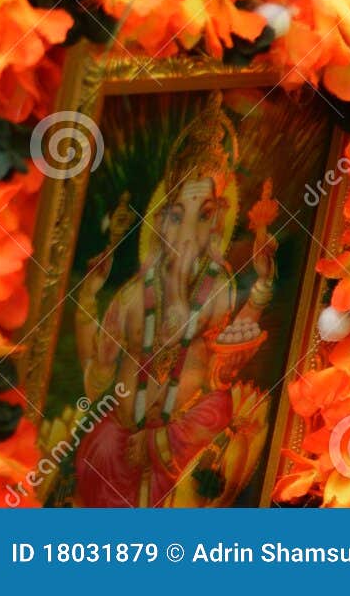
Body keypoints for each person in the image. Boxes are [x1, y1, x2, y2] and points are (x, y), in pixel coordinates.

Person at [72, 100, 278, 507]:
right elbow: (97, 368)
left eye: (203, 216)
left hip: (180, 433)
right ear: (161, 219)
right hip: (122, 435)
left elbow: (220, 368)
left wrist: (263, 288)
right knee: (100, 446)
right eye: (177, 215)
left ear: (219, 219)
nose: (187, 232)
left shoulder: (218, 285)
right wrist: (89, 298)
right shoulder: (136, 293)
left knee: (220, 406)